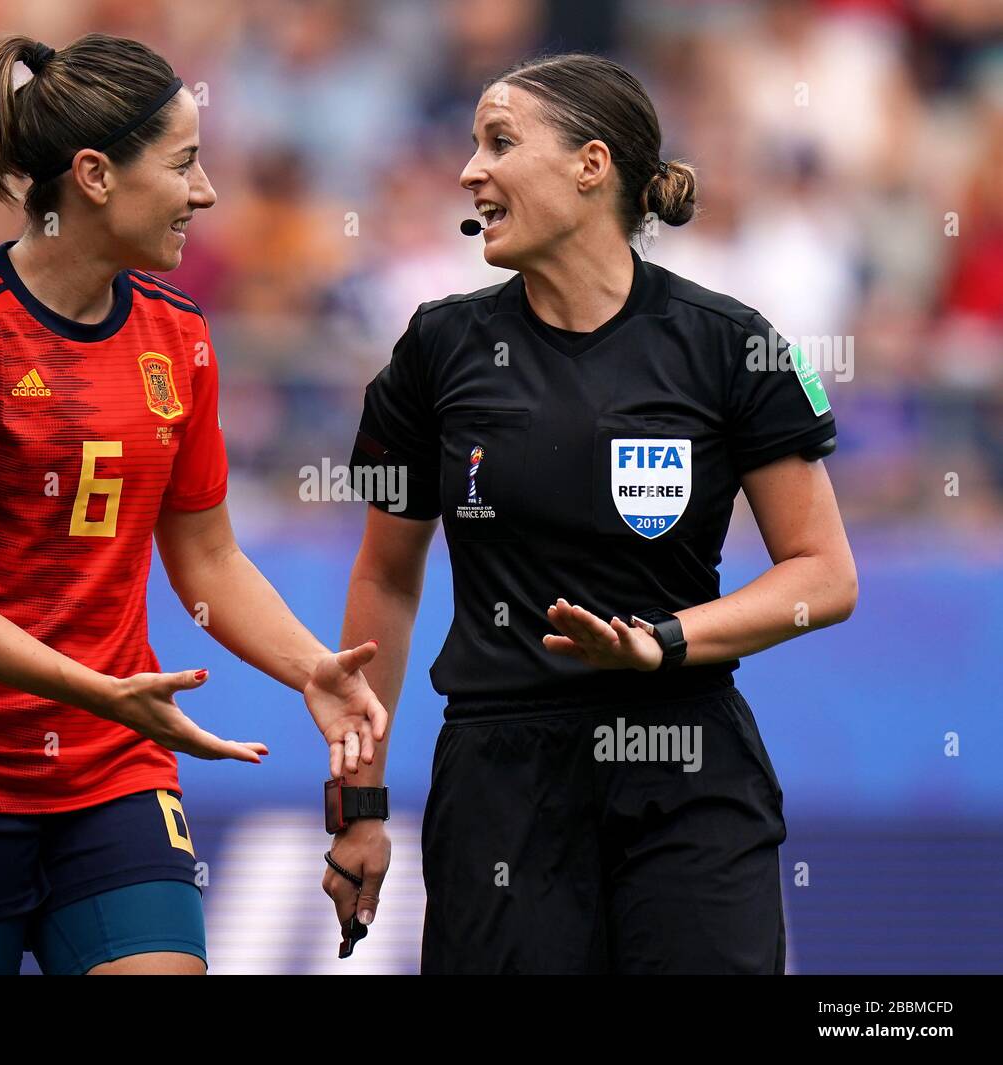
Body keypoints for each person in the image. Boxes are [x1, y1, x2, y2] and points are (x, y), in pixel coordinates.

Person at [0, 33, 386, 976]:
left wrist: (309, 670)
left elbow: (207, 558)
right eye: (184, 164)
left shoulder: (183, 337)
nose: (206, 193)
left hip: (111, 767)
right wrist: (102, 689)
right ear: (93, 175)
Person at [325, 52, 858, 974]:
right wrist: (360, 805)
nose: (469, 171)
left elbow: (826, 575)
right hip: (500, 779)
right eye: (471, 147)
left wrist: (666, 638)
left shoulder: (731, 344)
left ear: (591, 164)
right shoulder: (435, 350)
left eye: (499, 143)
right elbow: (383, 577)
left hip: (689, 766)